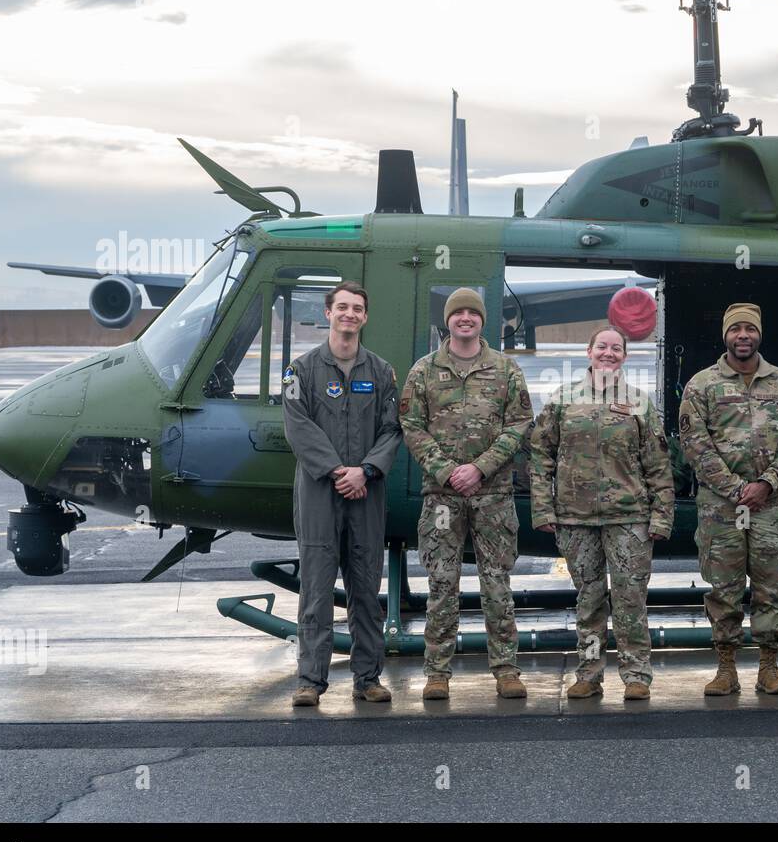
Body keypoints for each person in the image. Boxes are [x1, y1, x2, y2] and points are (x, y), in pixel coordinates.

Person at [399, 288, 533, 701]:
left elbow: (519, 424)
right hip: (442, 497)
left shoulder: (505, 369)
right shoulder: (424, 371)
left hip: (492, 495)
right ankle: (437, 672)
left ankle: (506, 669)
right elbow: (411, 426)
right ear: (448, 321)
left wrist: (480, 468)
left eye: (471, 313)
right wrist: (446, 471)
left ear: (481, 321)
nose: (464, 319)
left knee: (497, 582)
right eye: (457, 313)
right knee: (442, 583)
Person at [531, 325, 674, 700]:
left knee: (630, 599)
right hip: (575, 518)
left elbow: (658, 465)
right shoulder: (562, 400)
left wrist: (661, 516)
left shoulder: (639, 402)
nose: (608, 353)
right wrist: (543, 508)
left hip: (629, 518)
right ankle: (588, 675)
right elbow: (541, 457)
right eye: (602, 347)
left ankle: (637, 676)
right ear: (589, 351)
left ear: (625, 356)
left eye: (616, 348)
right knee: (589, 599)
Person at [679, 304, 778, 696]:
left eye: (749, 330)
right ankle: (726, 668)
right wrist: (737, 489)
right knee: (724, 588)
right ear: (725, 336)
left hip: (772, 505)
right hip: (721, 507)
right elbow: (695, 446)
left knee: (772, 588)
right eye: (735, 329)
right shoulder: (702, 385)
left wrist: (767, 483)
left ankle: (769, 667)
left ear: (759, 335)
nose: (743, 336)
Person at [282, 281, 402, 707]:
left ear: (365, 317)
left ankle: (367, 678)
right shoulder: (301, 371)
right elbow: (298, 428)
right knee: (315, 588)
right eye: (343, 308)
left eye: (357, 309)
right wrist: (337, 471)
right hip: (319, 492)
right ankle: (310, 681)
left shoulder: (382, 372)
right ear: (328, 313)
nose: (350, 315)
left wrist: (365, 471)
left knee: (366, 588)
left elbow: (392, 430)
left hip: (366, 491)